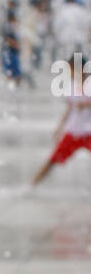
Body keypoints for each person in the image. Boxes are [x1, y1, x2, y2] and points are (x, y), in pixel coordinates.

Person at [32, 51, 91, 184]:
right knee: (52, 160)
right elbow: (69, 109)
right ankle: (32, 185)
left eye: (71, 68)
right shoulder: (71, 86)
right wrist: (59, 127)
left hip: (89, 131)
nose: (69, 72)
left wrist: (86, 104)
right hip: (73, 131)